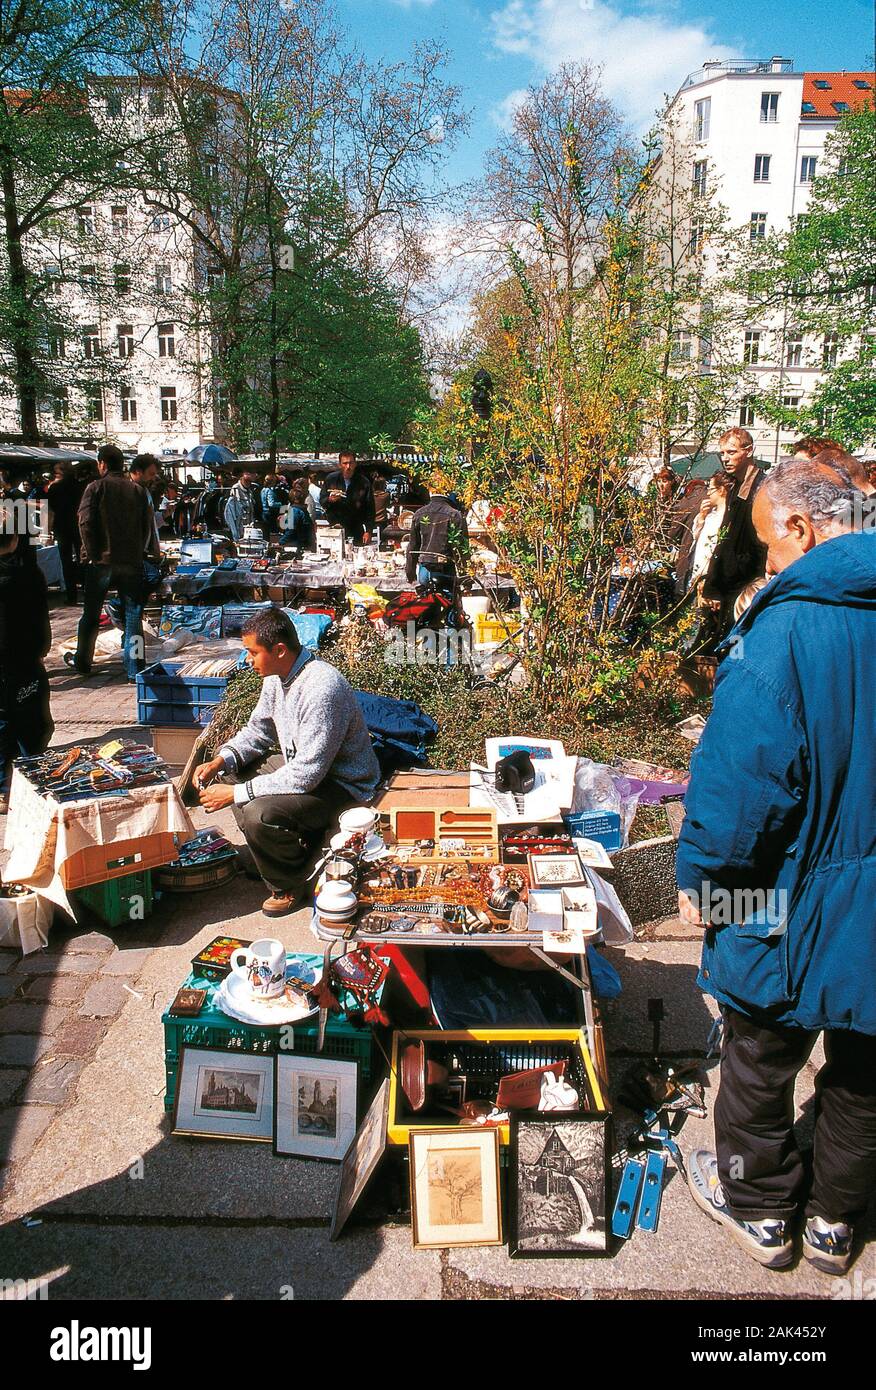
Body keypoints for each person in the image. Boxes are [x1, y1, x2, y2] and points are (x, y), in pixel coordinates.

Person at [677, 459, 876, 1275]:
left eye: (767, 547)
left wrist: (702, 883)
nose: (766, 565)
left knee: (759, 1058)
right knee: (865, 1072)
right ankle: (835, 1222)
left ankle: (762, 1211)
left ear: (799, 527)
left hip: (782, 891)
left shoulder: (785, 632)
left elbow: (739, 790)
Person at [194, 608, 380, 916]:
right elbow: (258, 731)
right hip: (304, 767)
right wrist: (221, 760)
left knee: (257, 811)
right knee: (231, 773)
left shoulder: (322, 687)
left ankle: (290, 882)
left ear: (279, 650)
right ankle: (269, 853)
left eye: (252, 653)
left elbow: (307, 775)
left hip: (343, 784)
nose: (247, 661)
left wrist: (238, 794)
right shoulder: (276, 677)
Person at [65, 443, 152, 681]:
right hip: (131, 561)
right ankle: (135, 668)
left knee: (91, 614)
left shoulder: (95, 488)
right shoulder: (136, 490)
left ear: (101, 463)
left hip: (101, 561)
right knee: (134, 615)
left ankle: (83, 661)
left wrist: (92, 554)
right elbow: (147, 527)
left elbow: (85, 523)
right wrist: (138, 552)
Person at [0, 530, 54, 806]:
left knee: (4, 720)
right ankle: (32, 774)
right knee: (32, 719)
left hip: (14, 660)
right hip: (25, 659)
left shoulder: (27, 576)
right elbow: (40, 617)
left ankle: (4, 787)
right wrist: (43, 648)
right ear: (15, 541)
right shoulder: (29, 576)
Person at [700, 427, 767, 637]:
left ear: (749, 451)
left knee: (738, 647)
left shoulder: (760, 488)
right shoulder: (736, 487)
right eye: (722, 453)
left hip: (745, 590)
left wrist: (724, 586)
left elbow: (755, 545)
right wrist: (713, 585)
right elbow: (726, 541)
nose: (725, 458)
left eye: (731, 452)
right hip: (728, 588)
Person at [405, 484, 469, 588]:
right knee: (447, 601)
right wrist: (465, 578)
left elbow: (413, 545)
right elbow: (462, 549)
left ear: (430, 491)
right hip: (445, 569)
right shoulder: (456, 515)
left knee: (426, 600)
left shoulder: (419, 513)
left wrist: (410, 572)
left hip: (424, 568)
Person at [686, 472, 733, 591]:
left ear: (721, 490)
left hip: (711, 579)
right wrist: (701, 517)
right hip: (698, 575)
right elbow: (695, 539)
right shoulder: (710, 515)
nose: (708, 493)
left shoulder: (727, 518)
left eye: (711, 489)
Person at [46, 460, 85, 605]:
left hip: (62, 528)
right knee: (83, 559)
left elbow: (50, 512)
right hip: (79, 526)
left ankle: (71, 596)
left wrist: (47, 531)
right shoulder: (80, 486)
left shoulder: (54, 488)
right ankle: (87, 590)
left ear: (59, 473)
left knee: (66, 561)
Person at [320, 451, 375, 545]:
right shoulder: (331, 479)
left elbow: (370, 508)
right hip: (335, 527)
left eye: (351, 463)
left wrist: (369, 531)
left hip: (356, 527)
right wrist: (330, 500)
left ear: (355, 464)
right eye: (345, 463)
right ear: (339, 464)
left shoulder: (363, 482)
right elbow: (322, 500)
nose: (348, 467)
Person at [224, 468, 261, 541]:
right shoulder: (235, 491)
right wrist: (235, 537)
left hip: (249, 532)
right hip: (239, 533)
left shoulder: (251, 490)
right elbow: (230, 516)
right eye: (250, 472)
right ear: (242, 476)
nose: (254, 475)